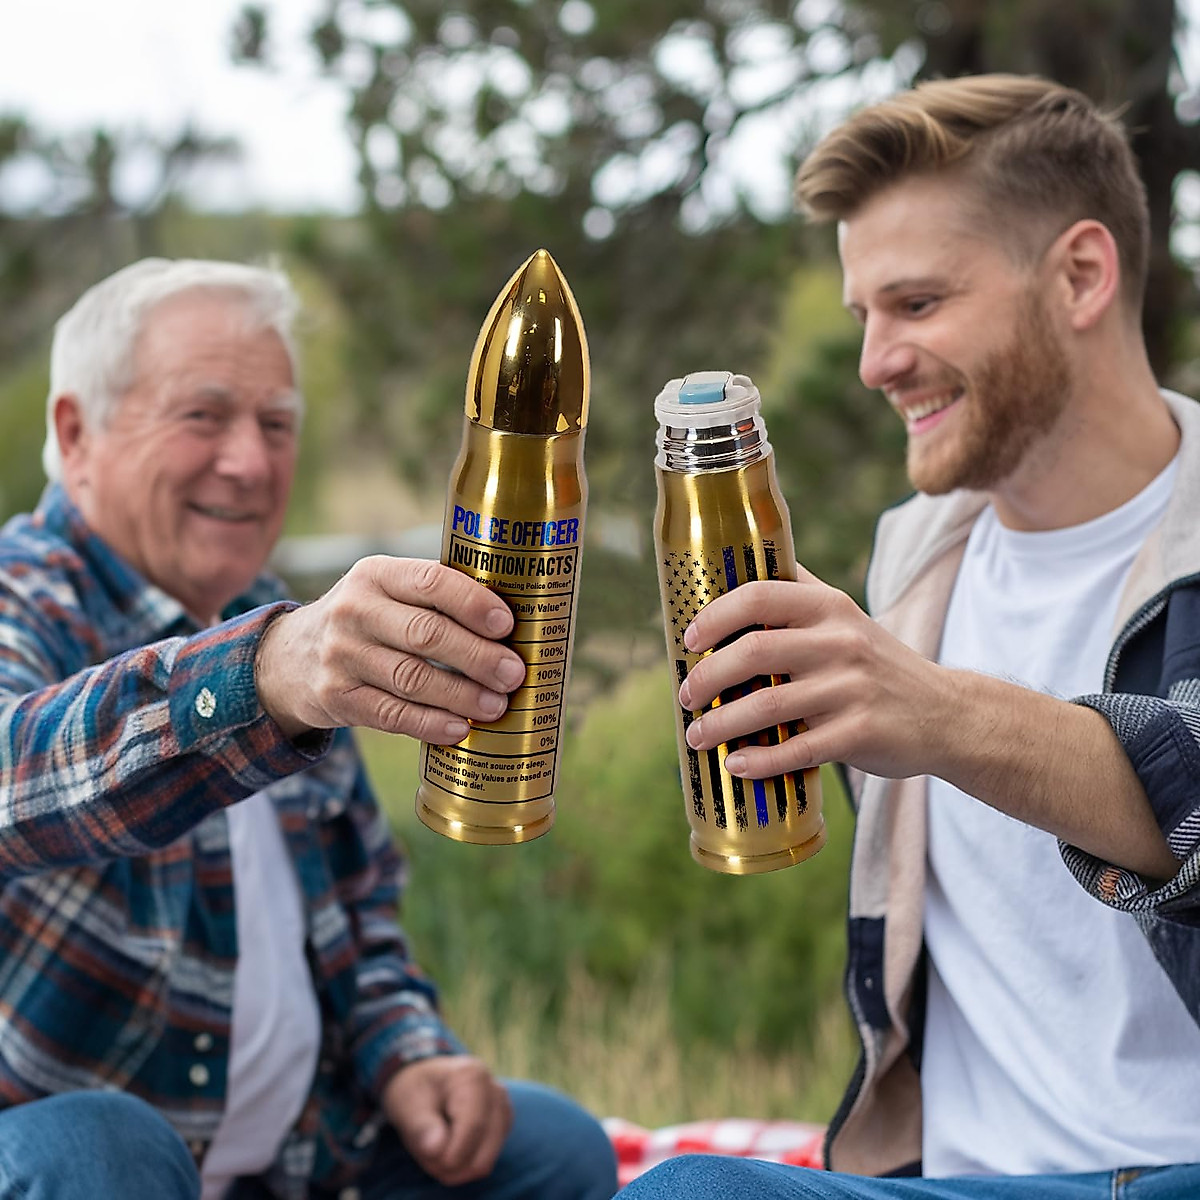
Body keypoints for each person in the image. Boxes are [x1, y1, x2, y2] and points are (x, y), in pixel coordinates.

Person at [618, 75, 1200, 1199]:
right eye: (864, 316)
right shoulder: (914, 557)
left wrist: (936, 713)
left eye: (919, 305)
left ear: (1081, 274)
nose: (875, 361)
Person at [0, 257, 618, 1200]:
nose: (249, 461)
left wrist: (408, 1057)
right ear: (76, 433)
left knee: (553, 1147)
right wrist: (262, 674)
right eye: (203, 416)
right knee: (102, 1151)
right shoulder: (26, 597)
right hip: (63, 1158)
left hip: (289, 1163)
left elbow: (358, 913)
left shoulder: (273, 618)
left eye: (276, 424)